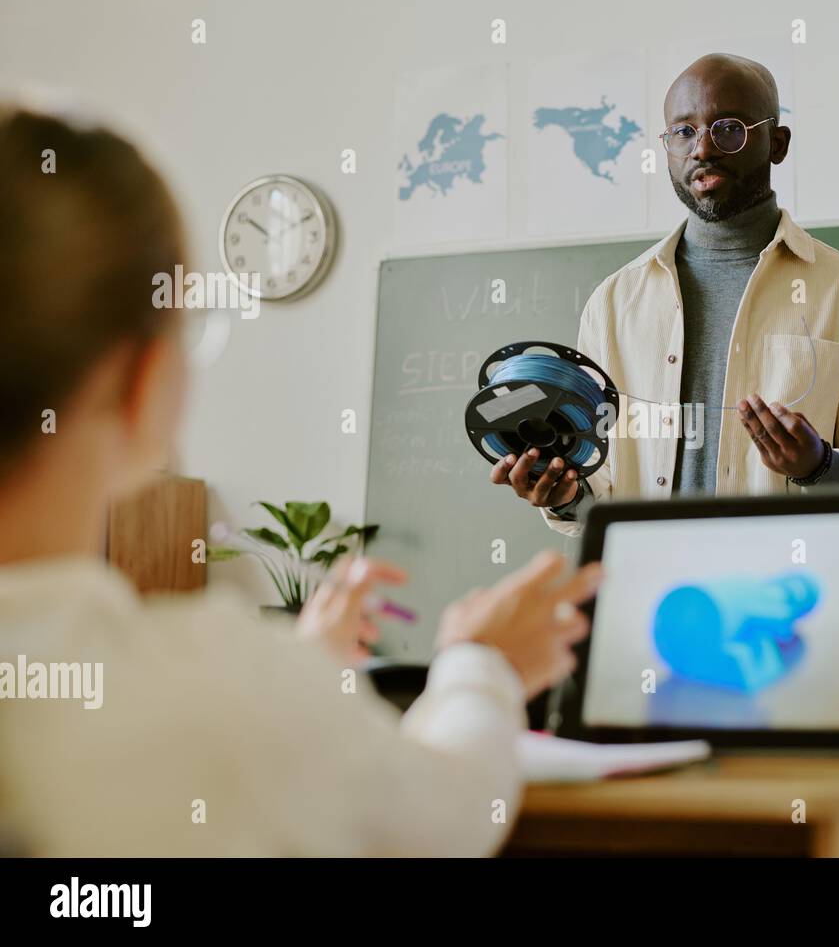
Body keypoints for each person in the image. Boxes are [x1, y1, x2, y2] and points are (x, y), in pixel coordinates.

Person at [0, 104, 599, 856]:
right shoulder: (219, 696)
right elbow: (445, 814)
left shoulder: (217, 700)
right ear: (143, 382)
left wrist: (303, 675)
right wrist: (485, 667)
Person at [490, 53, 839, 534]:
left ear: (776, 143)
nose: (702, 148)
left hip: (788, 594)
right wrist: (567, 496)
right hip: (645, 594)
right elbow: (605, 483)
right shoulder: (615, 303)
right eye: (683, 132)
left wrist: (821, 467)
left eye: (728, 128)